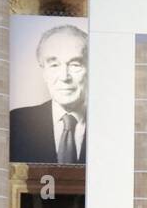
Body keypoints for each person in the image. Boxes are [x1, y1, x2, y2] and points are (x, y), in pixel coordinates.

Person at [10, 24, 89, 164]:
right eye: (54, 65)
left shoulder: (110, 125)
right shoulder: (15, 123)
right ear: (44, 72)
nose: (64, 77)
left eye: (75, 65)